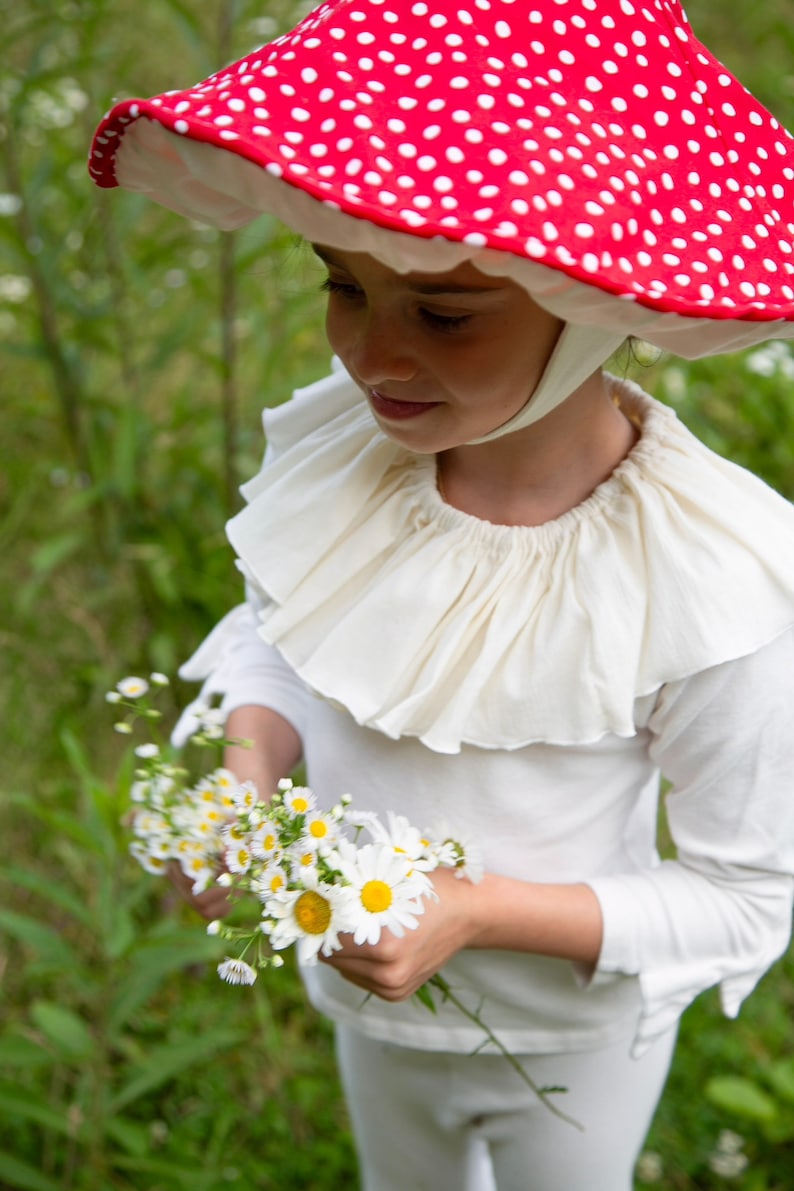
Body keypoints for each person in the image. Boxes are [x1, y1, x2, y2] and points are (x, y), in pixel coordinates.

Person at [89, 2, 794, 1187]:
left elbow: (742, 898)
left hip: (570, 1039)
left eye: (444, 314)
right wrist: (246, 767)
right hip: (364, 1003)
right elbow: (285, 632)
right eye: (343, 287)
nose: (371, 354)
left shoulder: (705, 573)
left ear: (585, 307)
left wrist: (475, 911)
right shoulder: (352, 464)